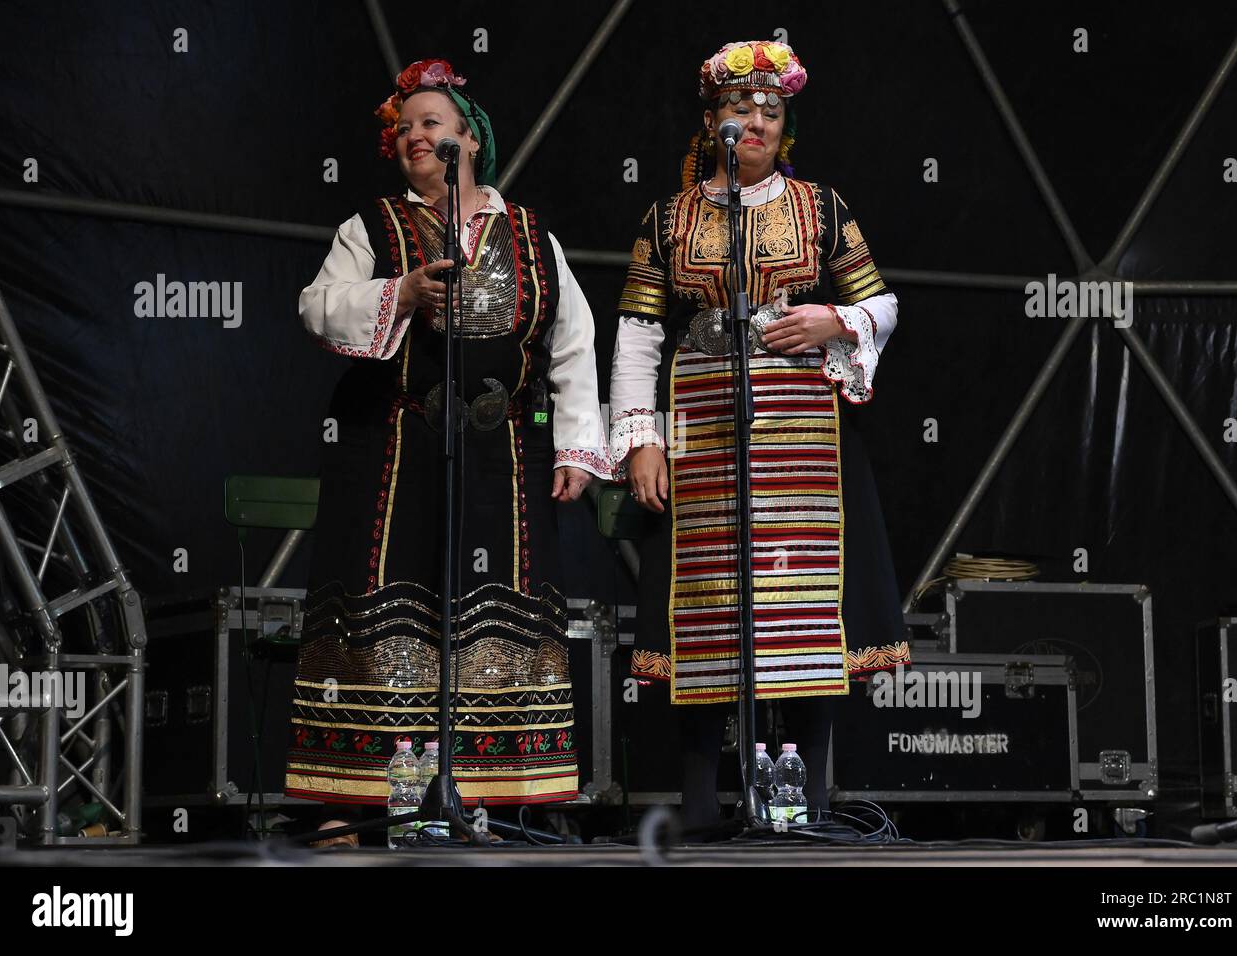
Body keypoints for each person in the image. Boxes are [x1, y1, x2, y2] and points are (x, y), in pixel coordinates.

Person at [285, 58, 610, 837]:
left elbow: (572, 342)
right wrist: (401, 293)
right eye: (404, 128)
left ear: (471, 137)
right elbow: (317, 309)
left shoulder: (530, 235)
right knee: (386, 603)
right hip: (393, 448)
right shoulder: (371, 228)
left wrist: (575, 447)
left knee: (496, 606)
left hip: (502, 456)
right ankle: (359, 796)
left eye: (432, 122)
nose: (414, 136)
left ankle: (492, 791)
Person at [608, 40, 909, 828]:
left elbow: (883, 305)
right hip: (701, 423)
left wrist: (833, 318)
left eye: (771, 112)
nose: (757, 122)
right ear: (711, 123)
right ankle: (704, 804)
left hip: (803, 427)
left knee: (800, 601)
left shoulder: (820, 207)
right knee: (708, 603)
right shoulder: (669, 218)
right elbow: (640, 329)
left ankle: (805, 804)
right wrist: (641, 437)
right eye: (741, 109)